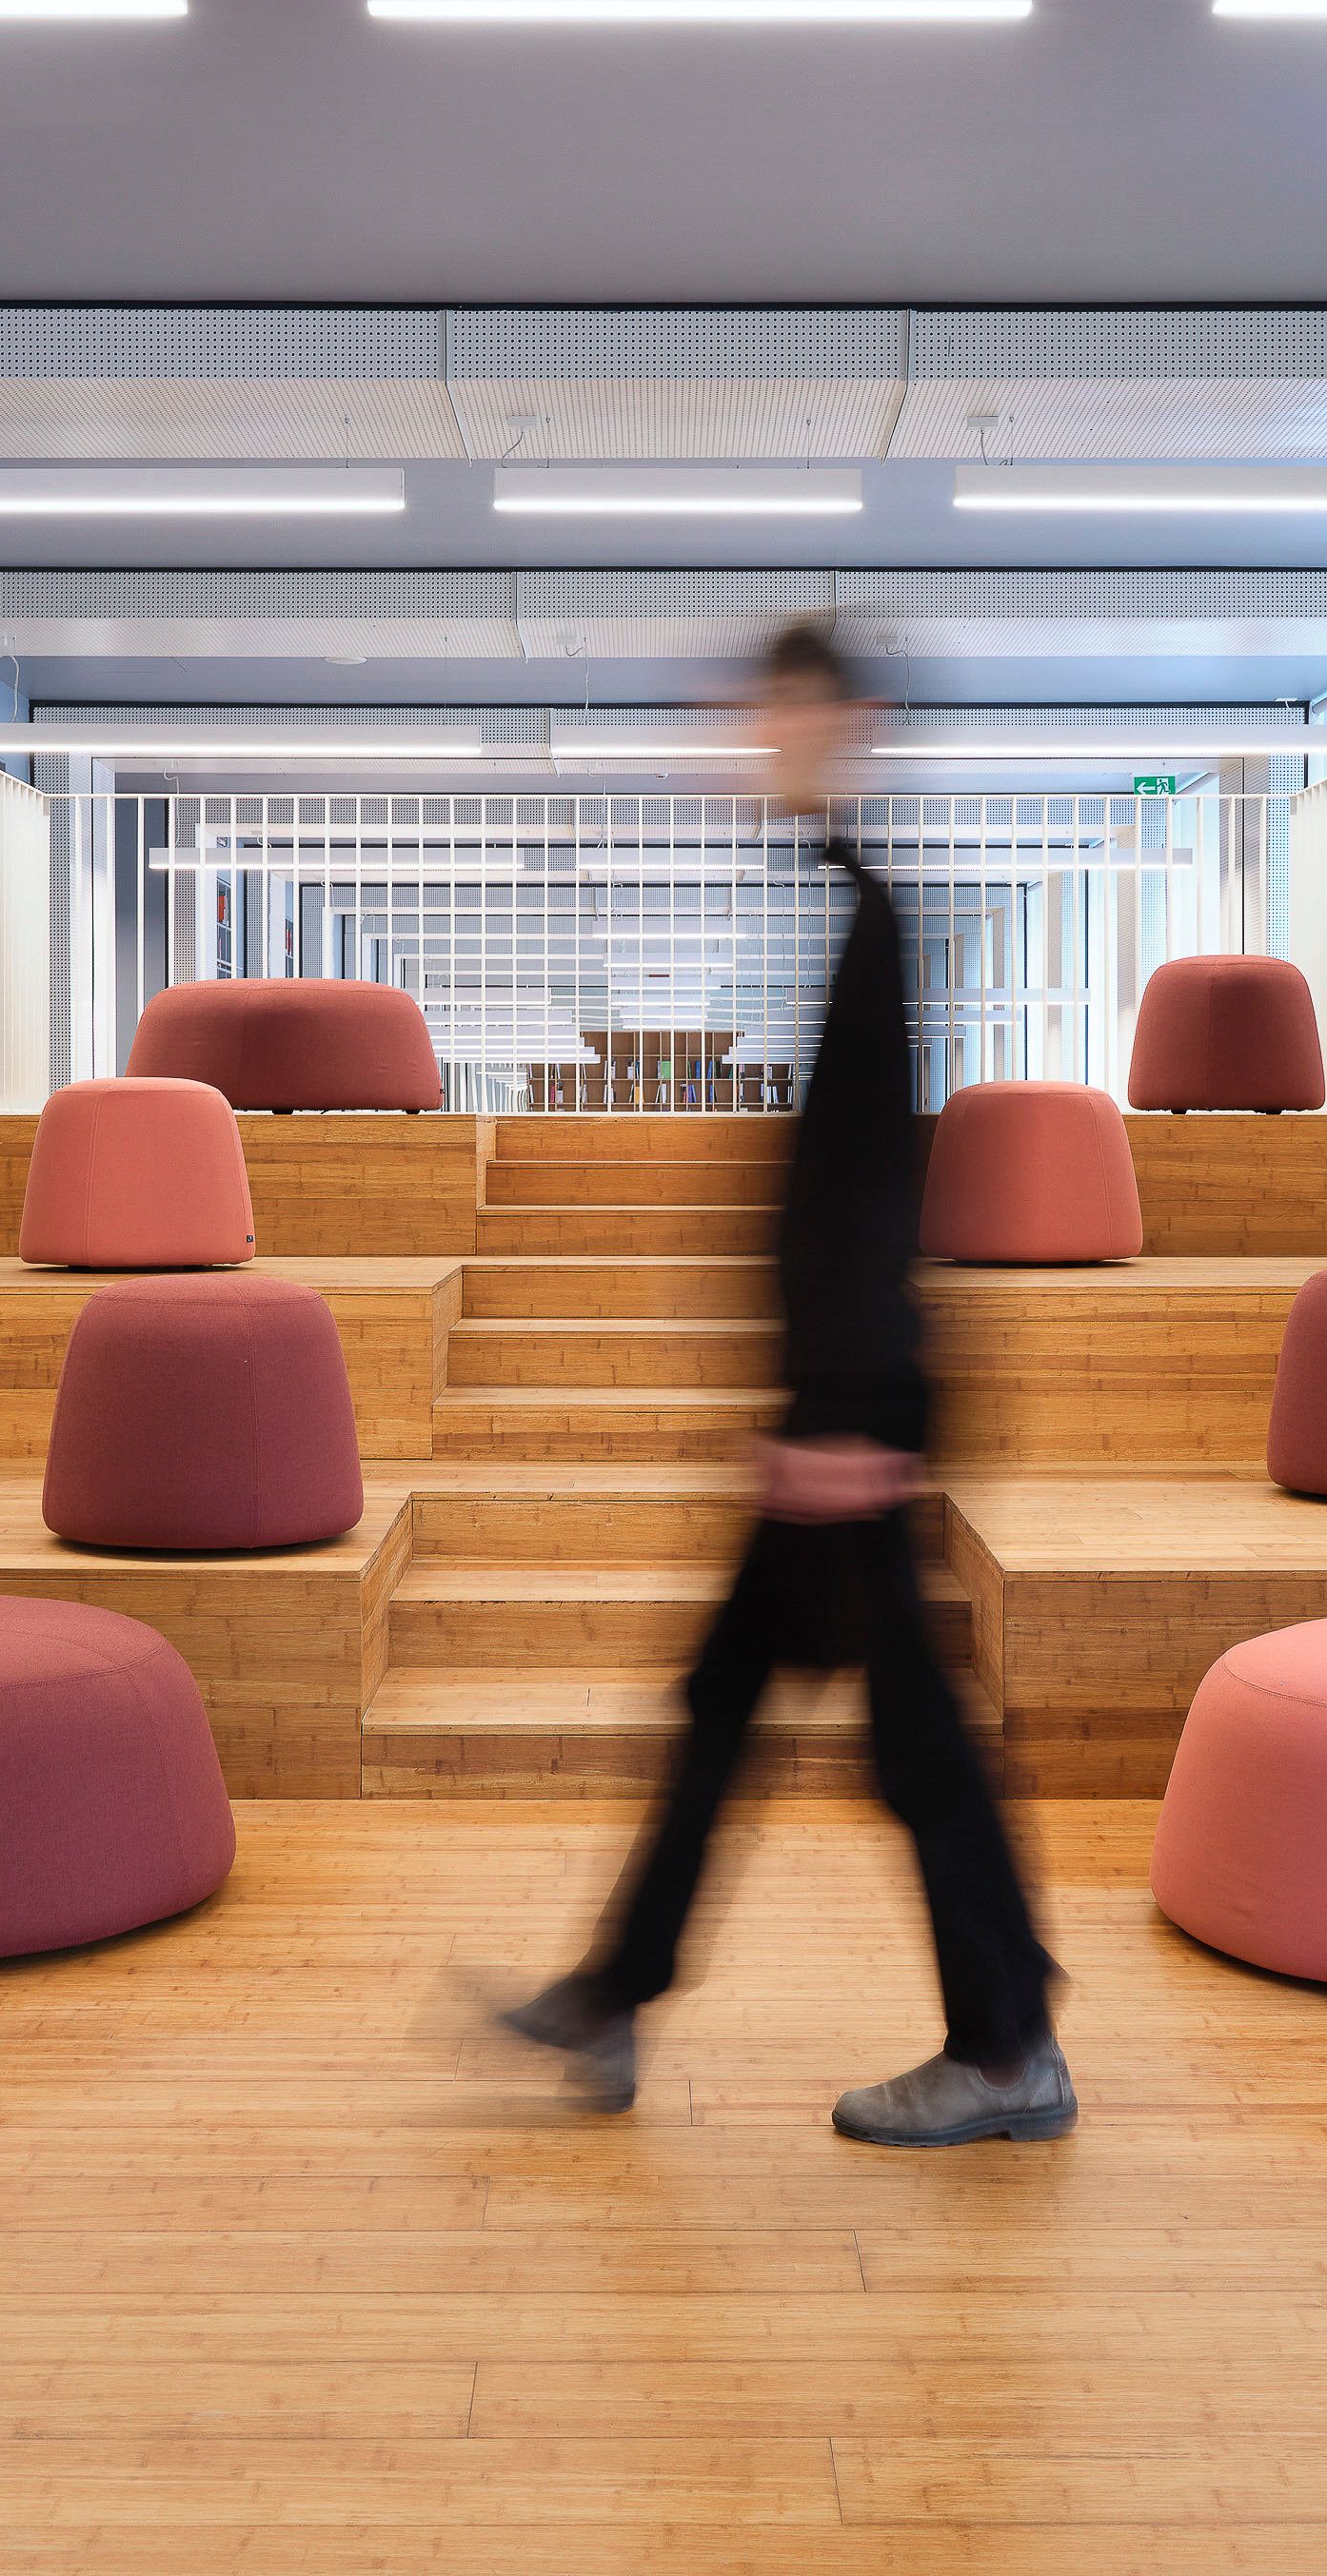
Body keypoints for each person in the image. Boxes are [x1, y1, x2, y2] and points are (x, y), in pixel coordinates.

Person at [492, 622, 1074, 2147]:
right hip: (833, 1403)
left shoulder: (871, 914)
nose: (754, 738)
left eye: (780, 711)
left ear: (847, 718)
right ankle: (616, 1990)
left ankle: (1006, 2046)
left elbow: (872, 1195)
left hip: (850, 1414)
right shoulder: (837, 897)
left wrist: (842, 1419)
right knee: (727, 1698)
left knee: (911, 1742)